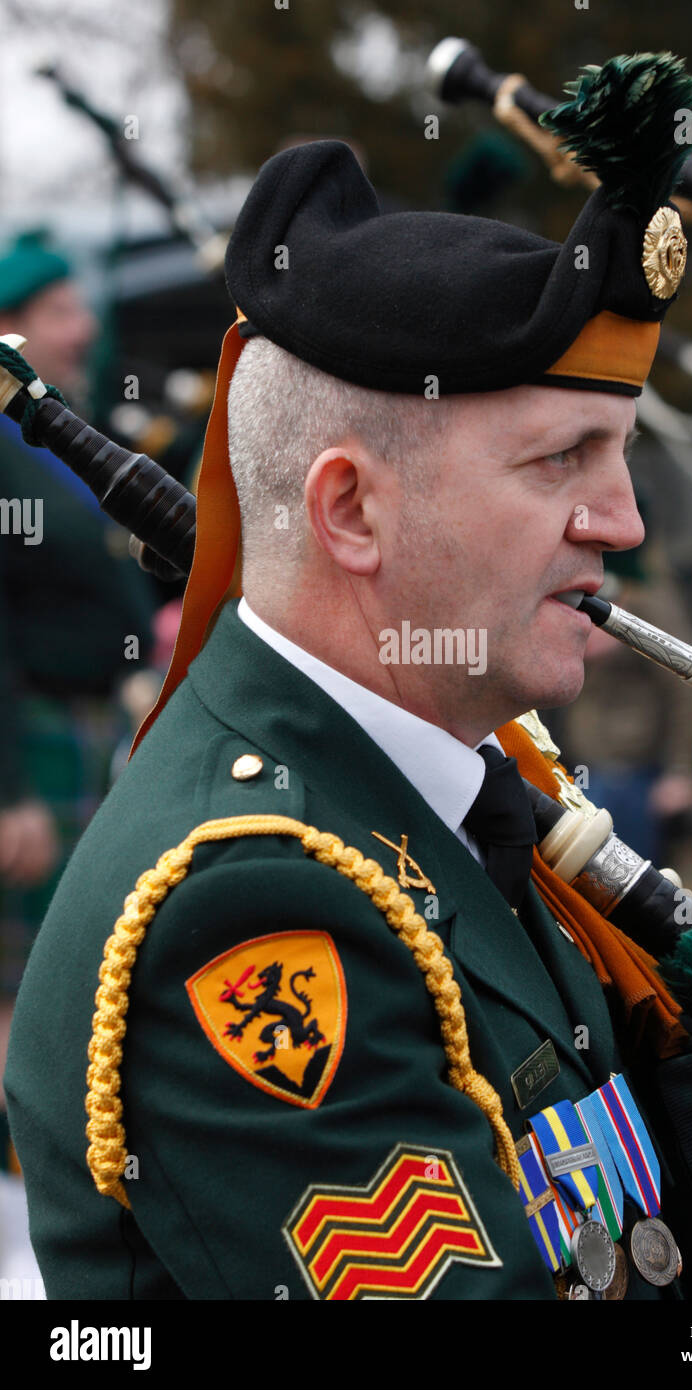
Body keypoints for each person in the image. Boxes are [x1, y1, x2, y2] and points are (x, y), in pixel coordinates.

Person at [6, 60, 692, 1301]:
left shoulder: (463, 782)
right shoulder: (254, 909)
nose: (619, 521)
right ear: (350, 509)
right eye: (562, 457)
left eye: (616, 456)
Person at [0, 234, 156, 1240]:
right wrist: (7, 784)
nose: (83, 326)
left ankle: (50, 1196)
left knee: (76, 967)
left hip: (91, 722)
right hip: (30, 737)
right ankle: (26, 1208)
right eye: (59, 310)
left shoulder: (50, 433)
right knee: (23, 982)